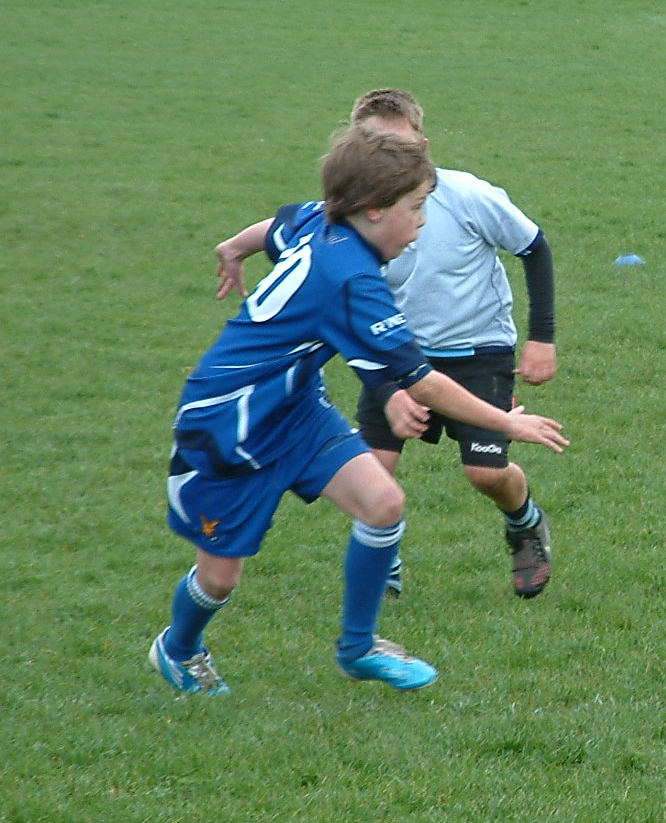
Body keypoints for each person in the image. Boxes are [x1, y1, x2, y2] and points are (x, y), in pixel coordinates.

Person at [149, 126, 568, 698]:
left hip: (295, 408)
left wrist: (234, 246)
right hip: (228, 427)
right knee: (220, 578)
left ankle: (358, 648)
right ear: (373, 210)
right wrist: (509, 422)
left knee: (383, 501)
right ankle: (177, 649)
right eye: (416, 208)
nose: (422, 222)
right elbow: (423, 383)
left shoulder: (326, 222)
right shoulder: (351, 279)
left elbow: (281, 223)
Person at [216, 88, 559, 599]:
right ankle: (385, 557)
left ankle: (524, 521)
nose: (391, 164)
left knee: (484, 473)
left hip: (477, 351)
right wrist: (235, 246)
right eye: (375, 149)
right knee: (375, 470)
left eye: (401, 150)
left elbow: (534, 246)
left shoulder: (467, 196)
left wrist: (542, 339)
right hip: (395, 354)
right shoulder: (358, 211)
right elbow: (293, 223)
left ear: (423, 143)